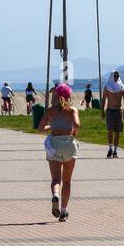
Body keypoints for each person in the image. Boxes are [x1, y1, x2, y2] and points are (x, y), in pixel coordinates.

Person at [39, 82, 80, 221]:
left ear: (56, 95)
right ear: (68, 95)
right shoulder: (72, 110)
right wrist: (73, 132)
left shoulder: (50, 111)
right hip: (69, 144)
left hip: (55, 144)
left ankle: (55, 194)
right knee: (67, 181)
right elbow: (77, 125)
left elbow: (39, 128)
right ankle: (63, 211)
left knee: (56, 179)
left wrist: (52, 126)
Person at [102, 72, 124, 158]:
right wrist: (102, 111)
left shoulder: (121, 87)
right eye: (115, 76)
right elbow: (103, 100)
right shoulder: (107, 87)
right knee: (110, 130)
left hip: (118, 111)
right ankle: (110, 148)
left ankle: (115, 150)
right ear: (112, 76)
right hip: (110, 110)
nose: (116, 77)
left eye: (117, 76)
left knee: (117, 131)